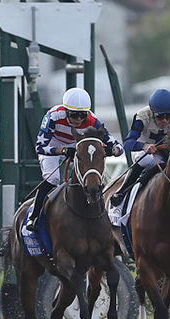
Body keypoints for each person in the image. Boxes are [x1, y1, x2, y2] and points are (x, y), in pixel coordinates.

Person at [26, 87, 123, 231]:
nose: (78, 119)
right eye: (74, 115)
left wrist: (112, 151)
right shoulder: (53, 116)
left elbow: (118, 147)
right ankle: (33, 216)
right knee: (52, 179)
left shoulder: (92, 120)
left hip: (77, 144)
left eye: (82, 115)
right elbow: (40, 147)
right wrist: (63, 151)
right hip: (53, 144)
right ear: (65, 111)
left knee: (91, 178)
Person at [108, 89, 170, 221]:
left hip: (166, 153)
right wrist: (144, 146)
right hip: (144, 152)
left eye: (168, 117)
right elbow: (128, 143)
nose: (164, 120)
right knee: (147, 160)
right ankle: (121, 194)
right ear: (152, 113)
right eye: (160, 116)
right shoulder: (142, 116)